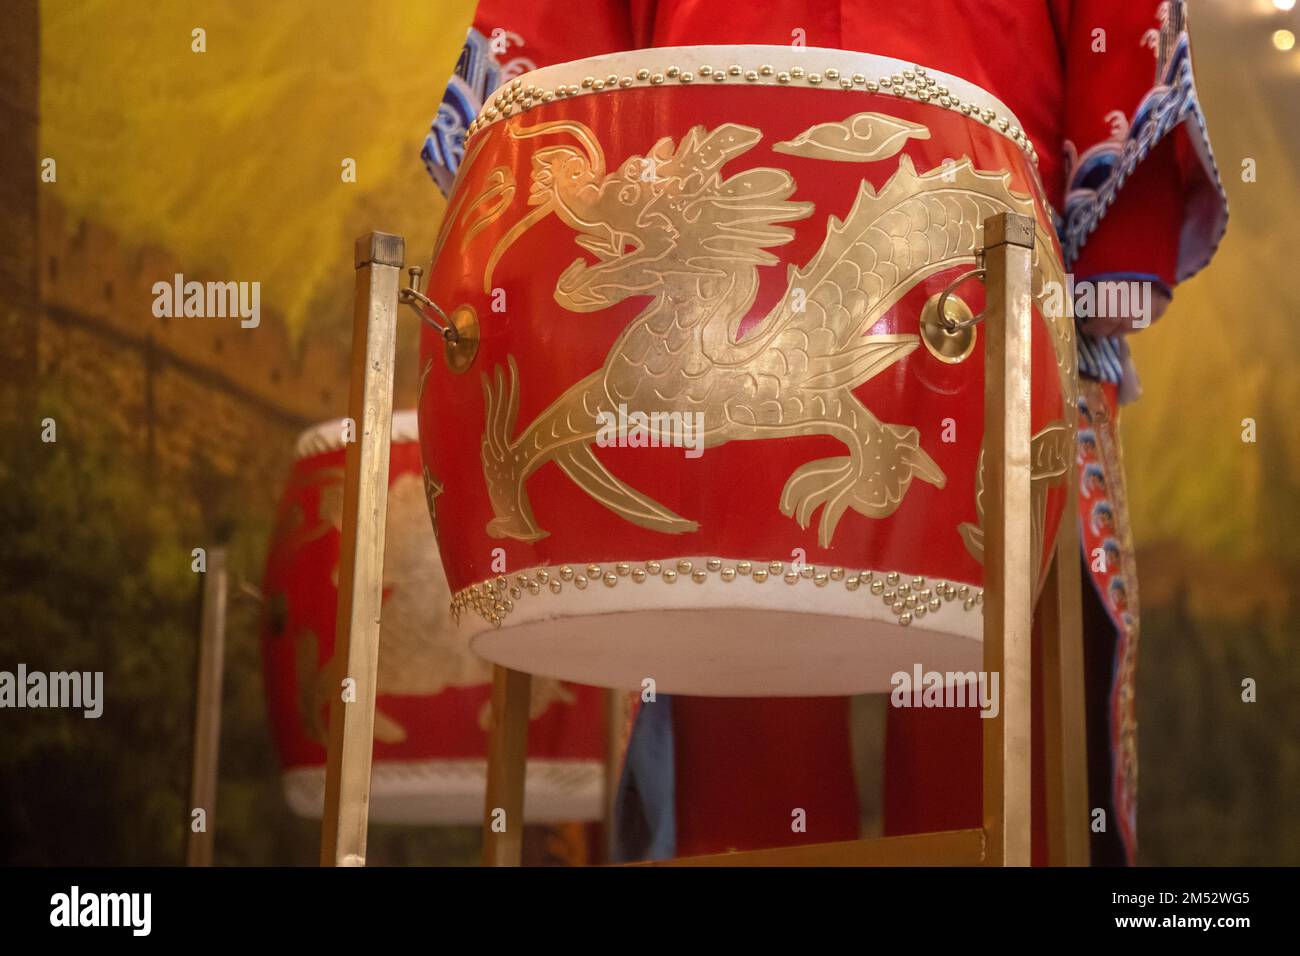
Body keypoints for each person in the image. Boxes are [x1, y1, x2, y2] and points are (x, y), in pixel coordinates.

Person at [422, 0, 1227, 865]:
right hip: (704, 154)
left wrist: (1119, 241)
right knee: (728, 655)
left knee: (993, 706)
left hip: (978, 257)